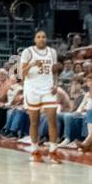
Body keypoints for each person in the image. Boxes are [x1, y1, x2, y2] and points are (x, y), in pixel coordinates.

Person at [19, 30, 61, 162]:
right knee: (34, 122)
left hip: (48, 89)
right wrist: (31, 64)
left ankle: (53, 152)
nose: (41, 39)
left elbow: (54, 72)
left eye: (44, 36)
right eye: (39, 37)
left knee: (52, 120)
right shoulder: (28, 52)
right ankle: (35, 151)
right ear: (34, 39)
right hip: (32, 89)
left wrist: (56, 84)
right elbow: (21, 74)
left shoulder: (52, 52)